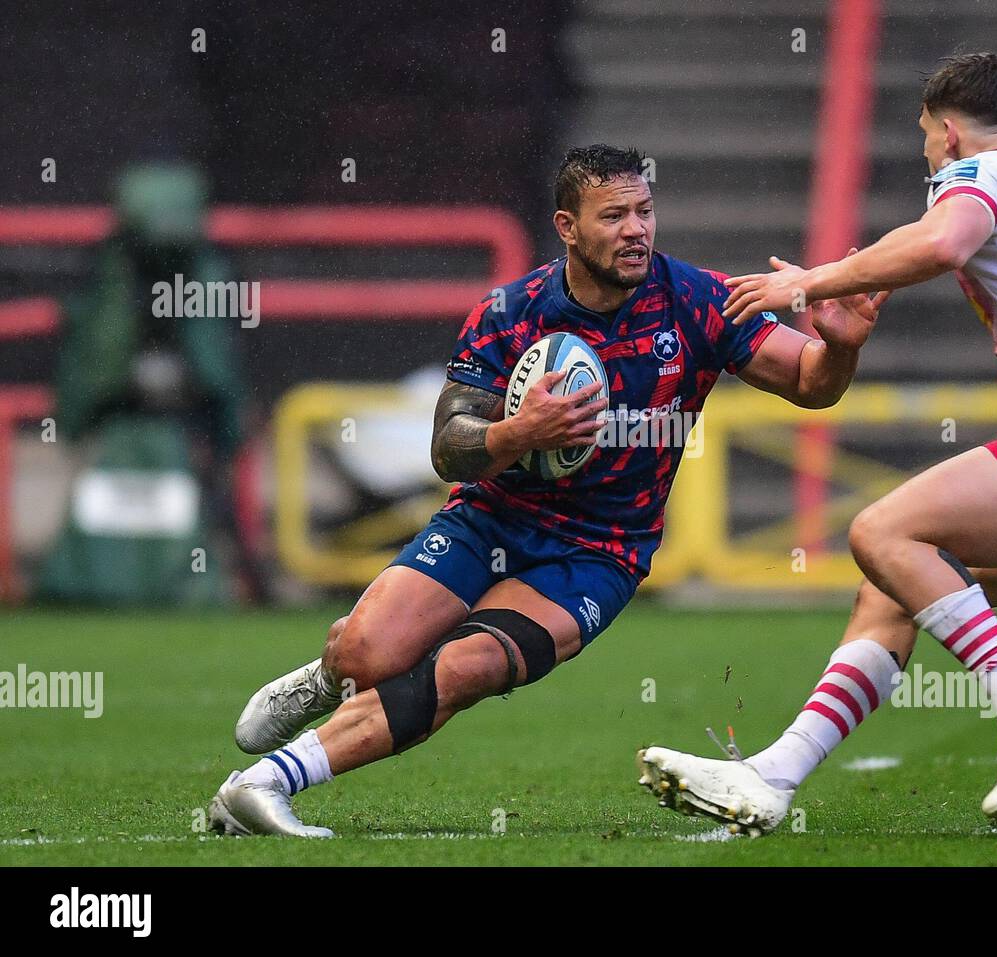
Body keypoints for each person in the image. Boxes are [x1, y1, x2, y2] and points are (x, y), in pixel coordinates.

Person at [207, 144, 889, 837]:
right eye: (614, 215)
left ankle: (263, 785)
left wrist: (842, 346)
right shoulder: (511, 311)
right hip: (491, 519)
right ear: (567, 226)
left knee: (464, 666)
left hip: (598, 554)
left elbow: (810, 384)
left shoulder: (697, 300)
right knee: (367, 657)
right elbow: (448, 448)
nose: (636, 230)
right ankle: (330, 671)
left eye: (645, 212)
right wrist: (519, 431)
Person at [638, 53, 997, 834]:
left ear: (952, 131)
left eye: (927, 136)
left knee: (879, 529)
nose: (927, 153)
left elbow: (943, 245)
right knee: (892, 586)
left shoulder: (978, 179)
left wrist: (812, 282)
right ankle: (774, 775)